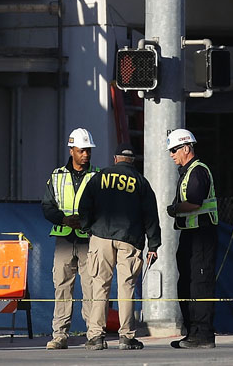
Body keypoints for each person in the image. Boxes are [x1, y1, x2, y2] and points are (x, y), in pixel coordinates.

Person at [74, 147, 161, 351]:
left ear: (115, 160)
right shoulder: (140, 182)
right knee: (126, 289)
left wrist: (88, 228)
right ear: (132, 162)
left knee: (99, 287)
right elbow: (151, 215)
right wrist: (154, 244)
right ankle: (126, 337)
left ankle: (95, 336)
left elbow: (83, 205)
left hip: (101, 238)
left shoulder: (99, 177)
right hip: (129, 239)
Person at [40, 128, 99, 350]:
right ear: (71, 149)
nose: (86, 154)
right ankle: (60, 335)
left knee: (91, 288)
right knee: (62, 288)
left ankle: (93, 334)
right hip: (65, 240)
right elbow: (47, 206)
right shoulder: (57, 176)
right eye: (82, 150)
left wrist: (85, 221)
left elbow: (104, 208)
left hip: (89, 239)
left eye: (88, 151)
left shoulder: (97, 176)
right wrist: (64, 220)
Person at [165, 128, 217, 348]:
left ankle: (203, 335)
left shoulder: (197, 171)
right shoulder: (187, 172)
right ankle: (192, 333)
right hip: (190, 235)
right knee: (186, 283)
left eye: (174, 149)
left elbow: (195, 202)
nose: (171, 154)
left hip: (202, 236)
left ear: (186, 148)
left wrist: (175, 209)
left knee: (200, 285)